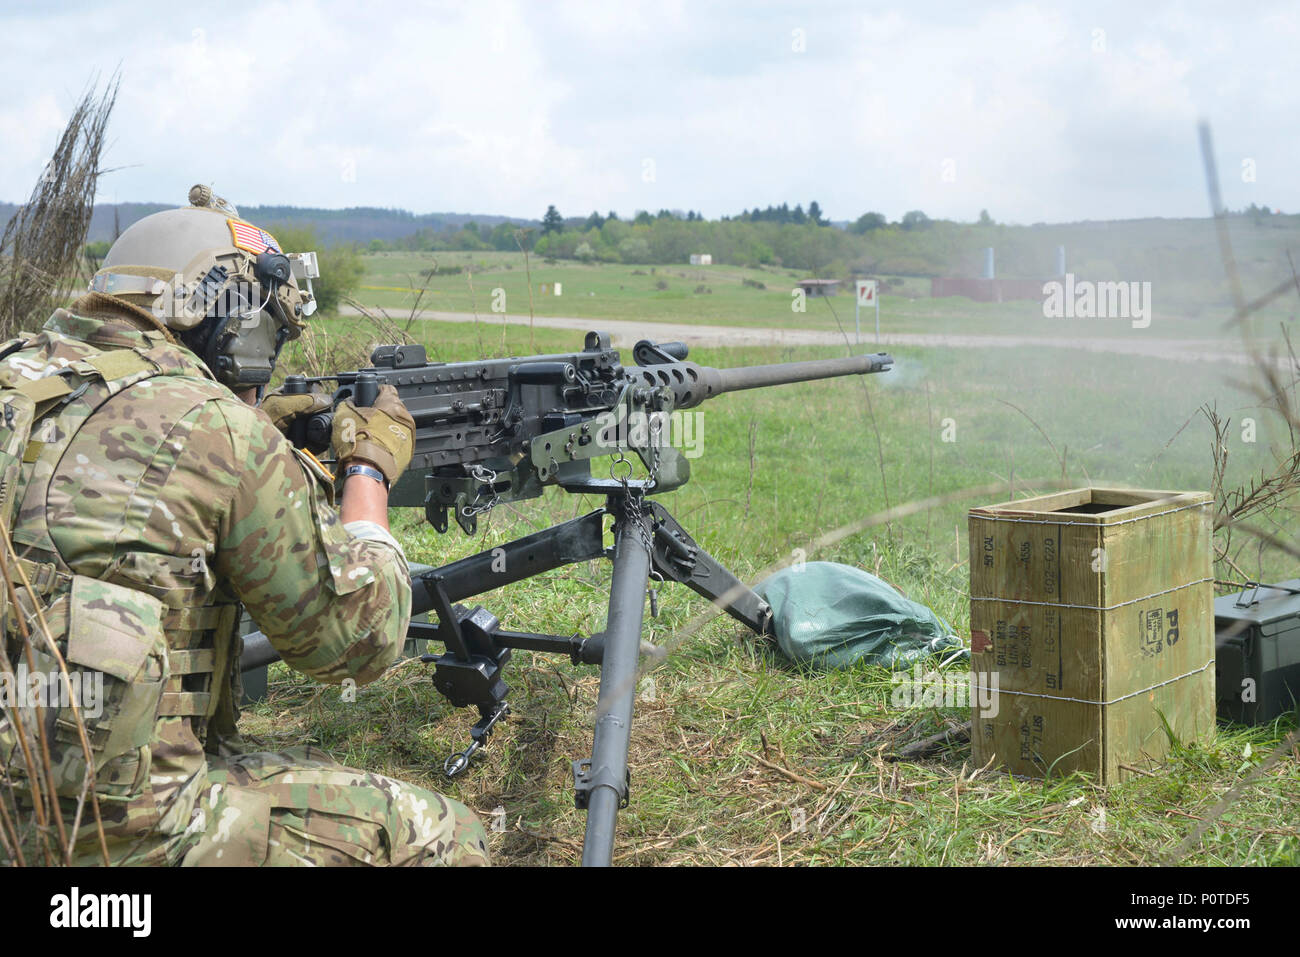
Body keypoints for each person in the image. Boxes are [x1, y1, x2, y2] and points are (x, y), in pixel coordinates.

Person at [0, 186, 488, 866]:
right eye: (271, 333)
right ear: (229, 323)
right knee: (446, 835)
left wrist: (252, 439)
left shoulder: (18, 378)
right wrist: (368, 477)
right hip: (105, 843)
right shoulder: (215, 428)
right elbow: (360, 641)